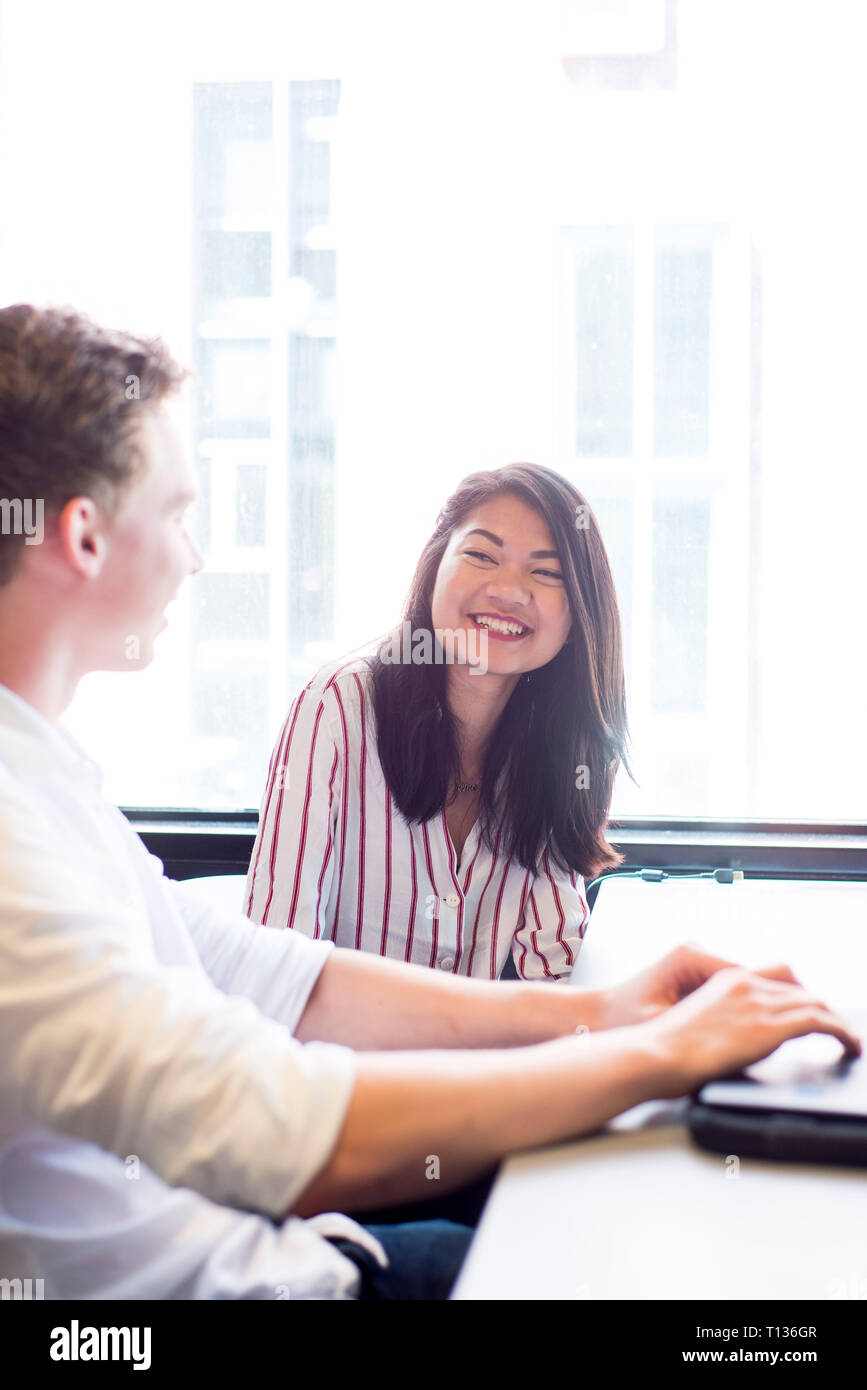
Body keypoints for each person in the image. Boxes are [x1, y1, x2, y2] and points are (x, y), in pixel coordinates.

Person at [0, 303, 860, 1302]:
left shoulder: (49, 778)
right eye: (183, 514)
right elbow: (267, 1118)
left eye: (544, 572)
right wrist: (660, 1052)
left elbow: (278, 973)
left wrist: (609, 1012)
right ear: (85, 538)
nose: (196, 557)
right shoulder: (21, 835)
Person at [245, 462, 629, 981]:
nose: (509, 591)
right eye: (481, 555)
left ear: (579, 614)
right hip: (338, 1059)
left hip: (481, 1062)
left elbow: (557, 973)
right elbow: (272, 966)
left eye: (546, 572)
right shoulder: (336, 707)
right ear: (435, 567)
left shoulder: (561, 749)